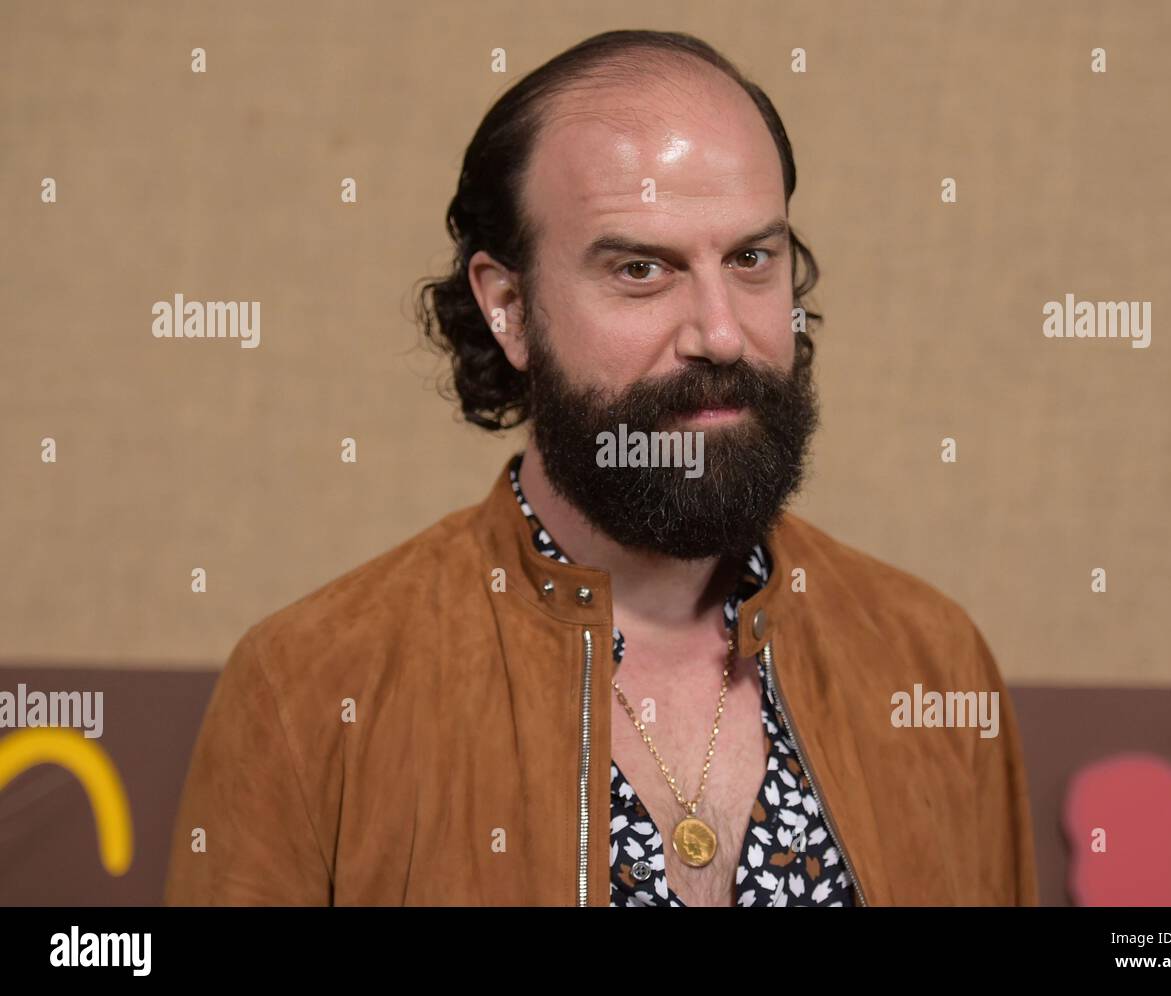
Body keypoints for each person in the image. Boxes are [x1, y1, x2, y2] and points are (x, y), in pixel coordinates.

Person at [165, 28, 1038, 907]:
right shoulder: (314, 686)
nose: (721, 334)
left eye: (750, 259)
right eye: (640, 269)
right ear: (508, 306)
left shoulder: (932, 664)